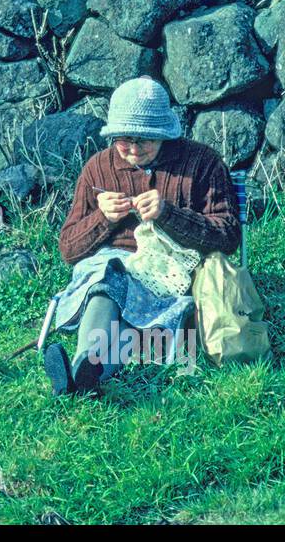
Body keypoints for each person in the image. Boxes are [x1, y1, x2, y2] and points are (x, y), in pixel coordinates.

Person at [44, 76, 241, 395]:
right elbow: (69, 249)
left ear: (165, 133)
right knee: (106, 282)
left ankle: (85, 373)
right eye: (125, 139)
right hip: (114, 268)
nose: (133, 149)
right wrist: (103, 218)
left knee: (125, 308)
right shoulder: (98, 168)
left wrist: (168, 214)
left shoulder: (202, 163)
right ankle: (84, 370)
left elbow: (228, 236)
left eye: (145, 140)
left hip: (170, 272)